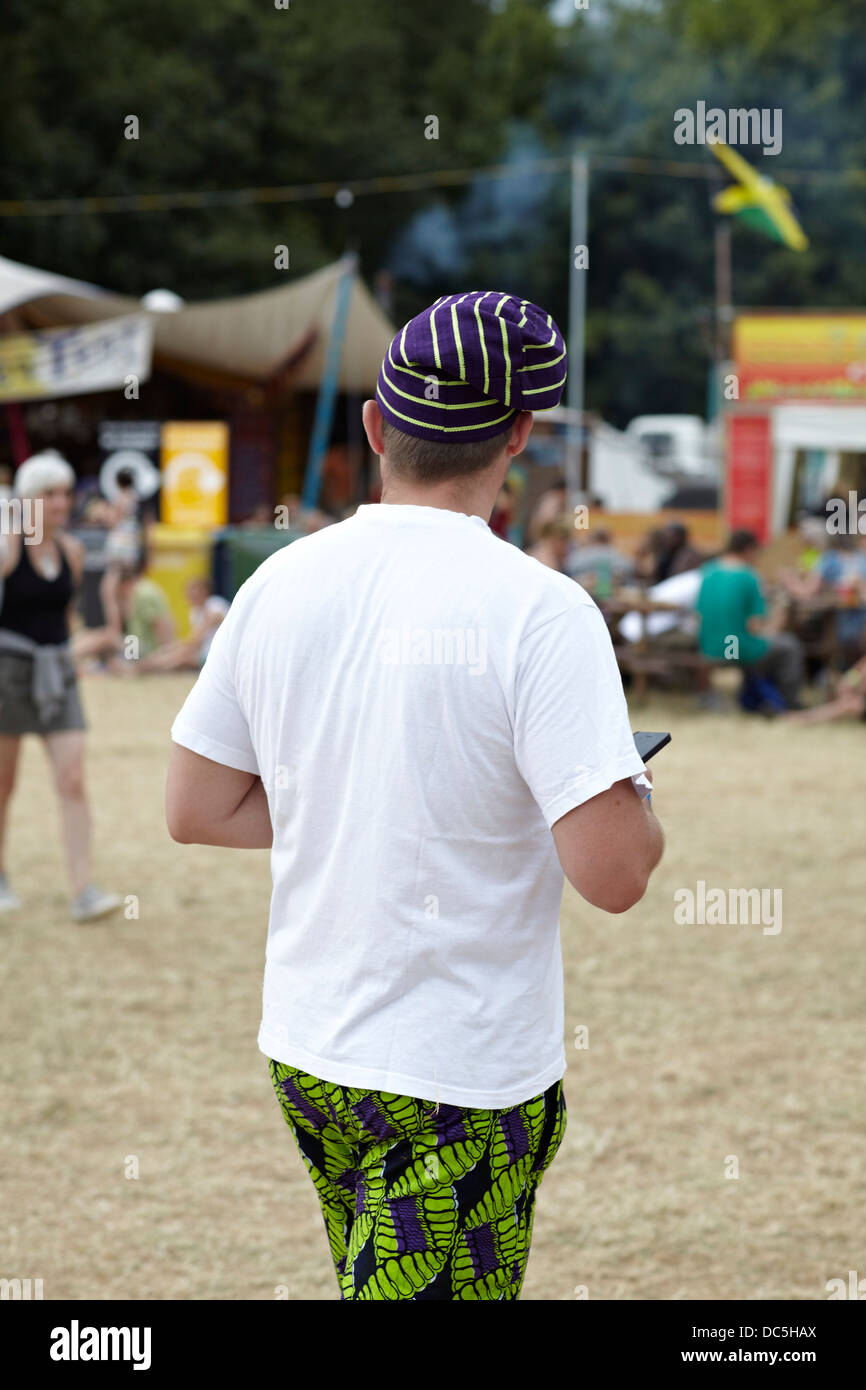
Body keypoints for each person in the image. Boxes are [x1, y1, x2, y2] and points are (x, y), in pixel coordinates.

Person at [166, 291, 664, 1302]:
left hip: (311, 1050)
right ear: (519, 434)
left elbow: (196, 806)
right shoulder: (540, 610)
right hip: (456, 1075)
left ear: (374, 423)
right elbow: (612, 874)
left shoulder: (277, 582)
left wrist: (352, 797)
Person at [0, 450, 122, 920]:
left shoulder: (71, 551)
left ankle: (82, 890)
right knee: (4, 783)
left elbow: (66, 618)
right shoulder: (9, 546)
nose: (59, 502)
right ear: (28, 498)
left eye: (64, 493)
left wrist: (83, 650)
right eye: (49, 493)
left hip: (58, 672)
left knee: (72, 780)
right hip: (8, 671)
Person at [695, 529, 804, 709]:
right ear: (748, 550)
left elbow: (699, 612)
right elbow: (755, 626)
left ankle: (754, 695)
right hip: (736, 649)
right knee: (789, 646)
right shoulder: (749, 577)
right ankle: (787, 702)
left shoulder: (708, 571)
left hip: (709, 646)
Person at [137, 578, 229, 673]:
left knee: (180, 656)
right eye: (189, 590)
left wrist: (173, 653)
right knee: (170, 651)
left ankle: (147, 667)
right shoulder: (195, 612)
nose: (191, 594)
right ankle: (147, 665)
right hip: (206, 654)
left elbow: (196, 640)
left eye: (195, 589)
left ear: (205, 591)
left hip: (219, 656)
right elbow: (194, 641)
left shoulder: (215, 605)